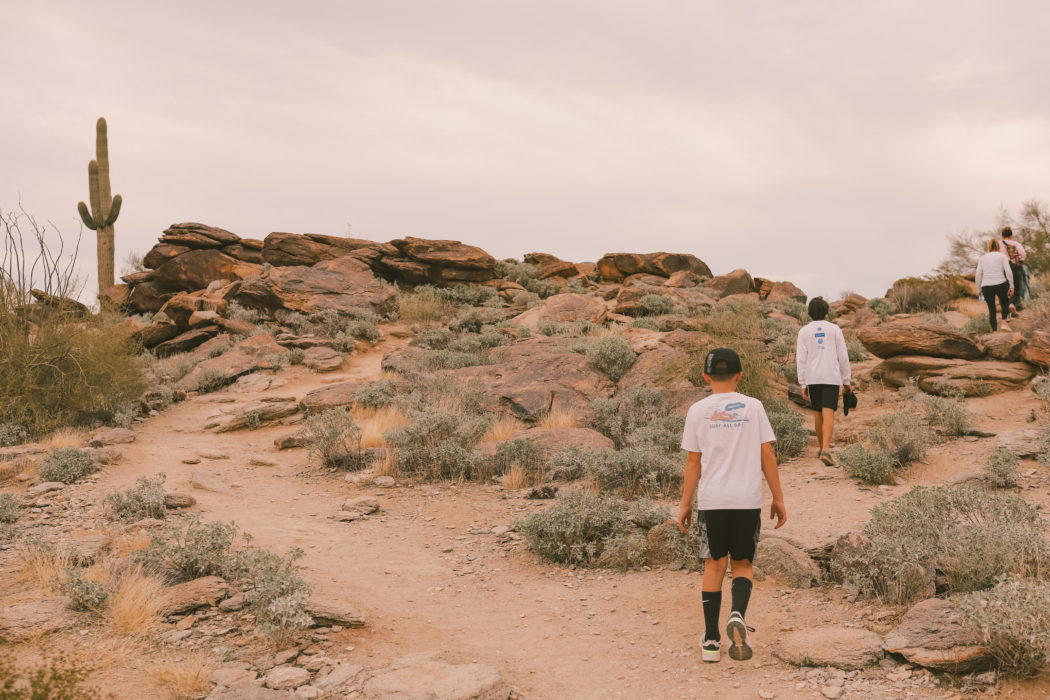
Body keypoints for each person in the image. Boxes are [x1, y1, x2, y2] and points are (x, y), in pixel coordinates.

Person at [677, 348, 787, 664]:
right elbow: (767, 455)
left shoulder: (697, 410)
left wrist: (685, 504)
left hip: (713, 502)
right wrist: (778, 497)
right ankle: (737, 613)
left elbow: (692, 461)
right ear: (740, 375)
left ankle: (711, 641)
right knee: (742, 564)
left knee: (714, 566)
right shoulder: (754, 407)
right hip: (747, 501)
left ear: (706, 377)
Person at [795, 297, 852, 466]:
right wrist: (846, 380)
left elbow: (801, 359)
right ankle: (826, 450)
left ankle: (822, 448)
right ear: (826, 311)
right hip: (831, 377)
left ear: (810, 312)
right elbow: (843, 356)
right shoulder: (834, 329)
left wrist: (803, 383)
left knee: (818, 414)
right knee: (828, 414)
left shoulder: (804, 331)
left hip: (813, 378)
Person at [975, 239, 1015, 332]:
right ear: (998, 247)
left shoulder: (982, 258)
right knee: (1005, 303)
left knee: (991, 309)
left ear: (989, 247)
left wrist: (979, 290)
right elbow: (1008, 271)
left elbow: (978, 275)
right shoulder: (1002, 256)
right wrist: (1011, 285)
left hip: (986, 286)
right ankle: (1004, 324)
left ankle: (994, 331)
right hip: (1000, 283)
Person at [1000, 227, 1028, 314]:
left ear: (1002, 235)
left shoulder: (998, 244)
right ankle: (1014, 303)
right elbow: (1023, 255)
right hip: (1014, 266)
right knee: (1015, 284)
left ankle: (1006, 306)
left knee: (1004, 286)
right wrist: (1019, 261)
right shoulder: (1016, 244)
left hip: (1002, 267)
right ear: (1011, 235)